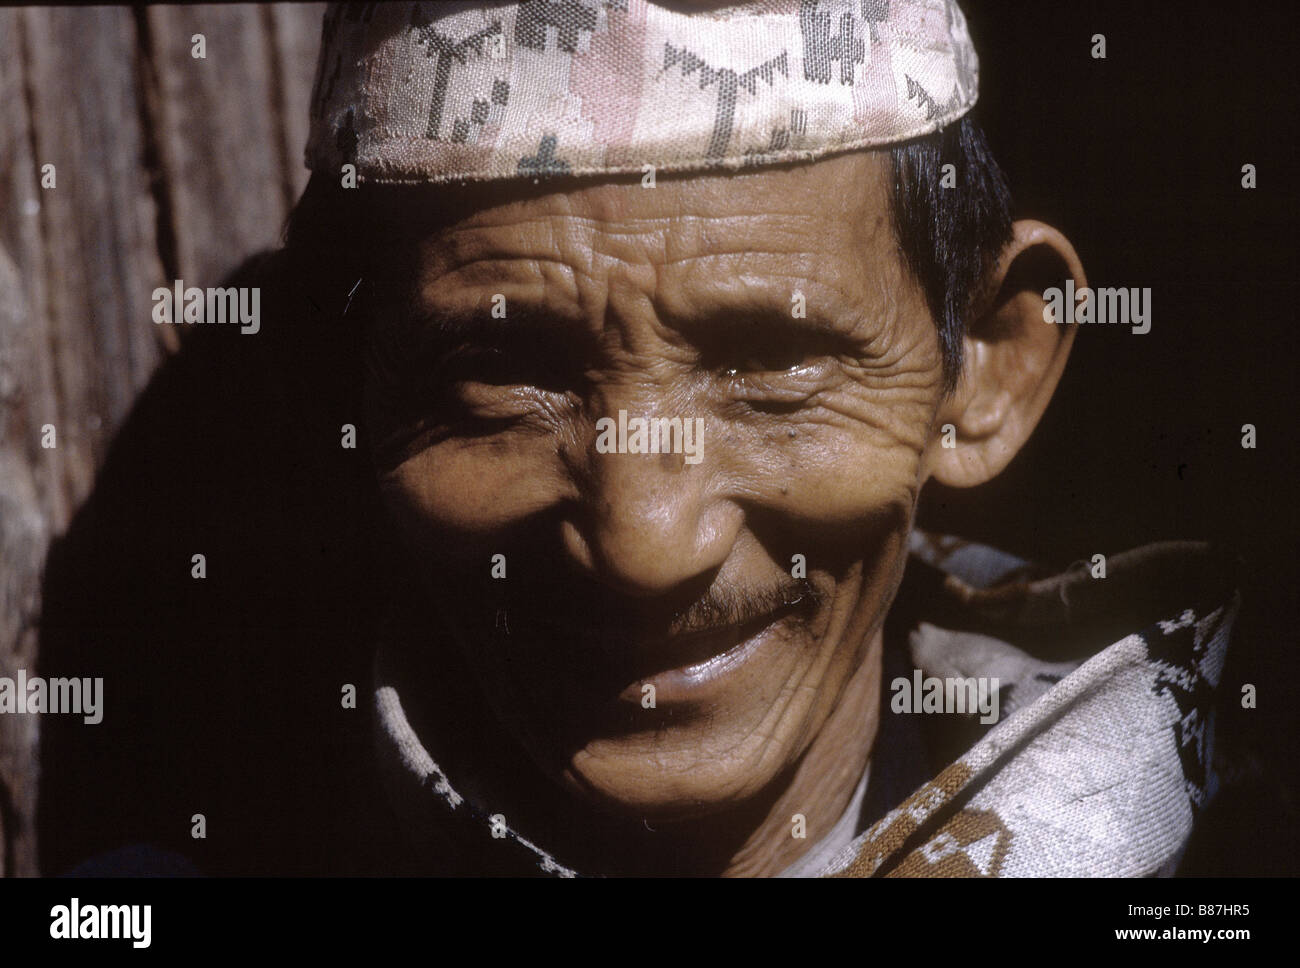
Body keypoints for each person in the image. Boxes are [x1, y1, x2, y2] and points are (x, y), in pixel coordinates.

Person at [38, 0, 1239, 877]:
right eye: (503, 376)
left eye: (770, 364)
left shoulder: (1219, 841)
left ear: (981, 364)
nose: (646, 539)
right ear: (336, 392)